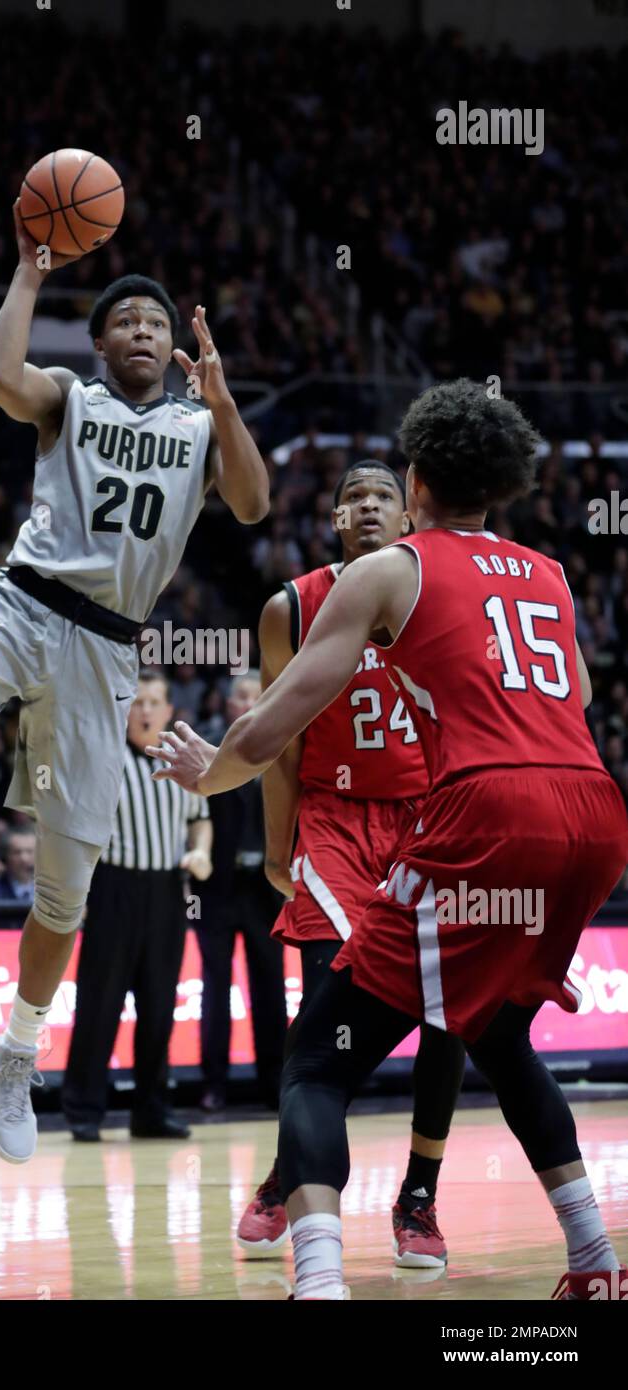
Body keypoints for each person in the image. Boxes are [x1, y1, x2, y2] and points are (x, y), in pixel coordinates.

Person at [149, 379, 628, 1301]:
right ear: (499, 483)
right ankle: (595, 1261)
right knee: (496, 1034)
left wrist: (207, 770)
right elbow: (578, 699)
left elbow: (266, 732)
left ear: (414, 482)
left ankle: (320, 1283)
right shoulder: (552, 574)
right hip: (592, 815)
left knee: (317, 1063)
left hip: (489, 815)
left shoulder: (388, 571)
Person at [0, 200, 269, 1165]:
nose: (142, 332)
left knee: (66, 891)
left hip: (106, 651)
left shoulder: (200, 427)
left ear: (175, 348)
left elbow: (249, 505)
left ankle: (18, 1049)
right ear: (99, 340)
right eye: (125, 320)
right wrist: (31, 265)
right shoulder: (69, 401)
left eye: (156, 324)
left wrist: (225, 401)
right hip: (22, 605)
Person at [237, 462, 466, 1265]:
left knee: (447, 1014)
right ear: (336, 518)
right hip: (333, 819)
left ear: (409, 518)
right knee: (323, 1016)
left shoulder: (443, 592)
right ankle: (289, 1175)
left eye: (384, 497)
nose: (369, 506)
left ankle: (418, 1198)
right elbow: (279, 742)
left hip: (426, 820)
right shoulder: (291, 608)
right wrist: (278, 844)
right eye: (355, 498)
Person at [62, 671, 212, 1141]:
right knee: (99, 1002)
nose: (145, 710)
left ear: (170, 711)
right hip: (113, 887)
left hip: (167, 891)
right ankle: (84, 1109)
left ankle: (151, 1109)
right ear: (124, 711)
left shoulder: (182, 765)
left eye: (154, 702)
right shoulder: (103, 761)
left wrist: (201, 851)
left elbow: (200, 818)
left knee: (160, 1005)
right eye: (137, 702)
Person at [195, 675, 287, 1114]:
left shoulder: (281, 746)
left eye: (257, 695)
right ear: (227, 703)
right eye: (241, 697)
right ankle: (213, 1084)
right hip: (217, 886)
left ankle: (275, 1083)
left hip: (264, 889)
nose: (249, 703)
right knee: (215, 987)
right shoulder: (208, 747)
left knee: (270, 989)